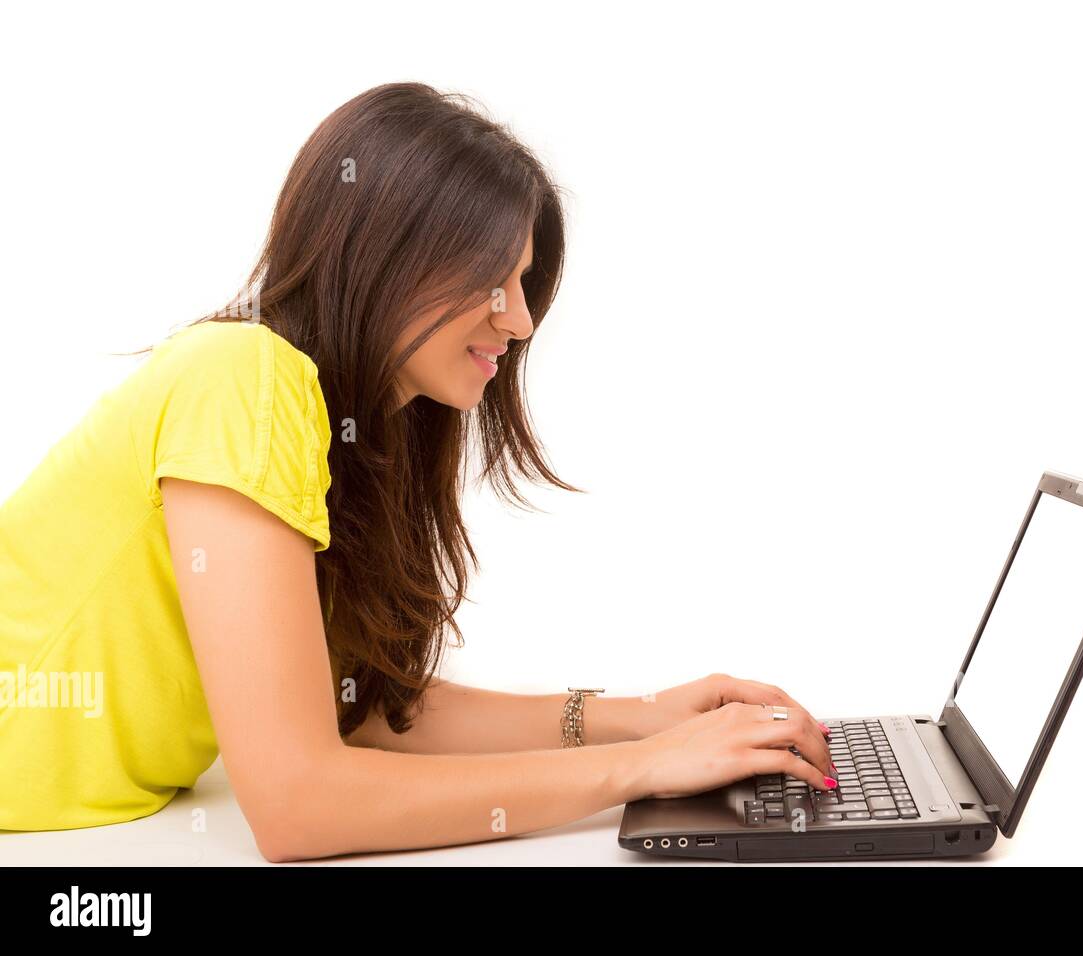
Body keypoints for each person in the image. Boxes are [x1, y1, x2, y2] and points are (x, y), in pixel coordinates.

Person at [0, 82, 835, 861]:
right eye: (493, 277)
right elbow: (299, 803)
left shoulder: (333, 422)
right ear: (390, 251)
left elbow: (362, 712)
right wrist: (644, 771)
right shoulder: (241, 378)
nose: (520, 319)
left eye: (522, 282)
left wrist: (640, 720)